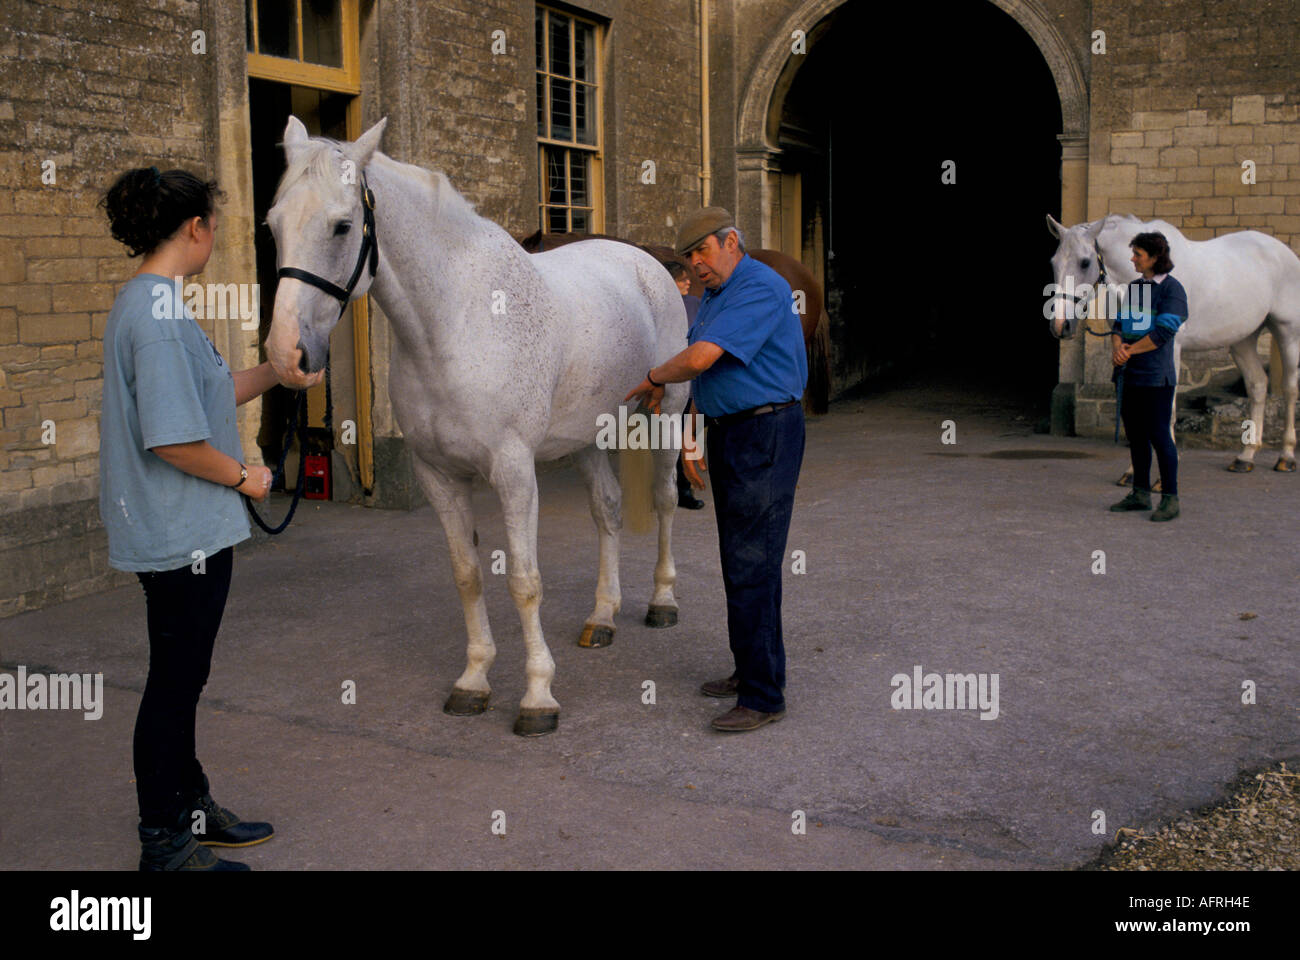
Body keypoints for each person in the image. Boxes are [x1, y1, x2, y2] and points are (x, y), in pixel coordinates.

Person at [99, 166, 314, 869]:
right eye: (214, 224)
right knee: (173, 684)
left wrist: (276, 374)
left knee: (182, 678)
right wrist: (246, 476)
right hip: (178, 534)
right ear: (196, 227)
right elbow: (171, 438)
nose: (215, 236)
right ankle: (164, 842)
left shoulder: (157, 304)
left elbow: (212, 392)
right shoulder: (156, 317)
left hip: (186, 530)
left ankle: (190, 810)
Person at [626, 207, 807, 732]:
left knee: (753, 560)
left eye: (702, 251)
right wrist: (693, 435)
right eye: (688, 257)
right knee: (741, 558)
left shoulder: (757, 286)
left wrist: (655, 376)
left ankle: (763, 696)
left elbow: (701, 358)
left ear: (731, 241)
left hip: (764, 433)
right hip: (735, 430)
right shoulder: (718, 295)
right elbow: (715, 373)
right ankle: (751, 668)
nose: (695, 265)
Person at [1108, 231, 1189, 521]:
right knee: (1137, 437)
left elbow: (1164, 332)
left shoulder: (1172, 290)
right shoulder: (1137, 288)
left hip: (1156, 378)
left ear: (1155, 257)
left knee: (1159, 436)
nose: (1133, 259)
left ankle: (1170, 499)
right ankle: (1140, 494)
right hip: (1131, 377)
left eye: (1138, 254)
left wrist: (1128, 352)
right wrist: (1118, 348)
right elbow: (1119, 325)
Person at [663, 259, 705, 510]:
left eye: (687, 277)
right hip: (670, 383)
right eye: (681, 278)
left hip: (693, 383)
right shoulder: (662, 309)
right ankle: (668, 489)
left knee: (692, 436)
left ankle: (686, 488)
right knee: (667, 440)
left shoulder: (695, 304)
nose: (688, 281)